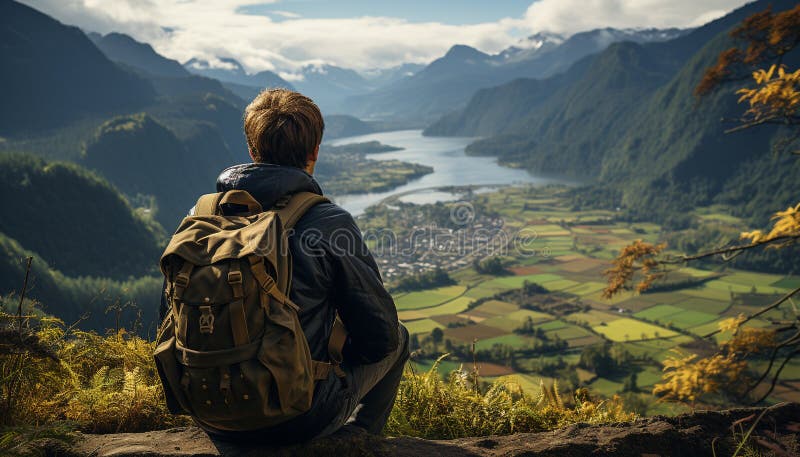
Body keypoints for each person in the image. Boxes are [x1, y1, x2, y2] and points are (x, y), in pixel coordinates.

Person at [161, 88, 408, 443]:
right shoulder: (327, 222)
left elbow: (169, 319)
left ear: (252, 151)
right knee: (399, 336)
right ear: (314, 152)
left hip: (211, 412)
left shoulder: (201, 220)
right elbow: (379, 337)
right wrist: (333, 357)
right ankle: (360, 441)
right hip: (298, 416)